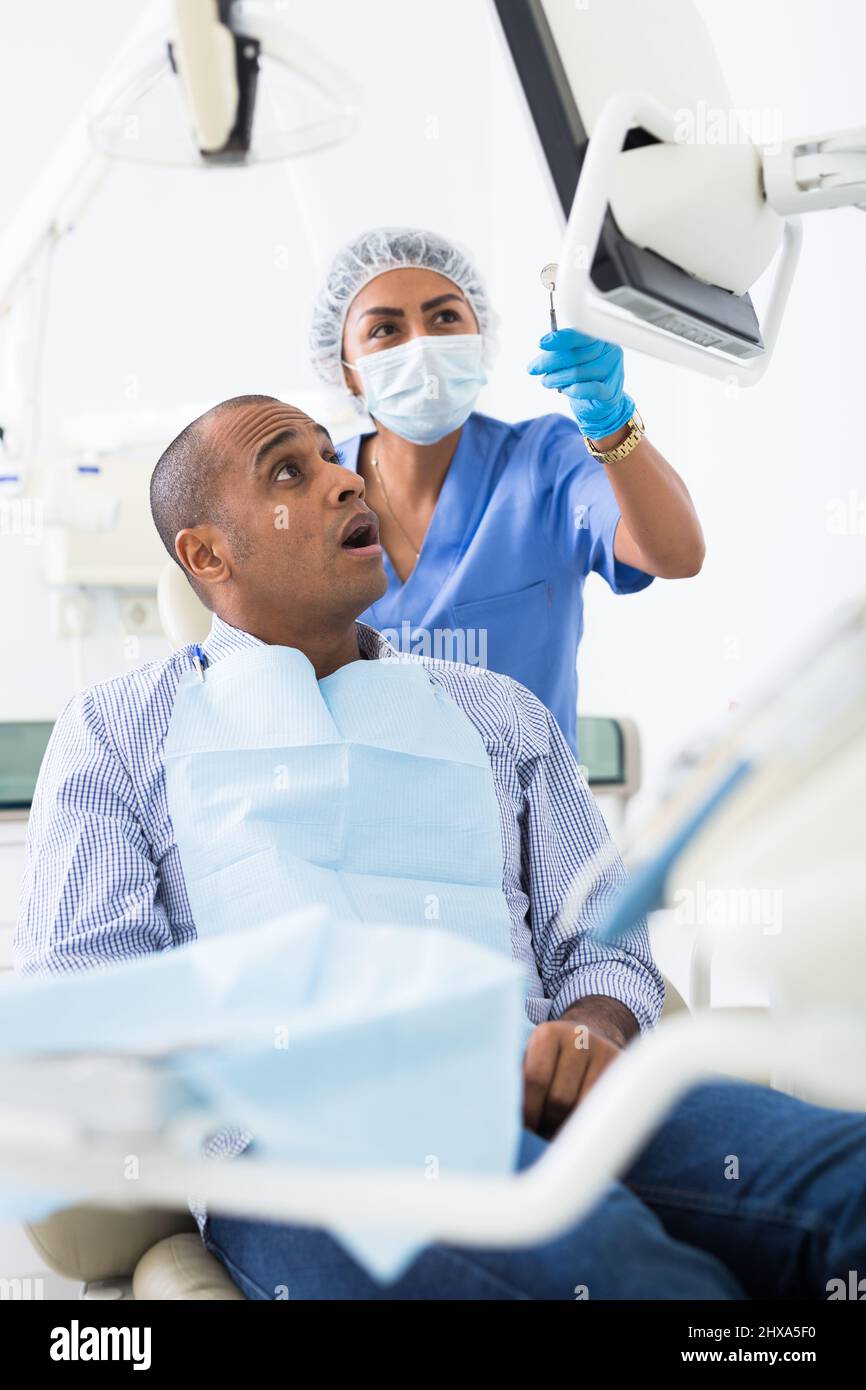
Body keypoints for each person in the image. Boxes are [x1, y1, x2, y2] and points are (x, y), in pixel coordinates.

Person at [16, 396, 866, 1301]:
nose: (347, 477)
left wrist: (592, 1028)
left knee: (845, 1181)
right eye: (288, 473)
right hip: (314, 1151)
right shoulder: (117, 731)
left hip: (561, 1100)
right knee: (625, 1278)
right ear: (207, 553)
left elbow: (603, 943)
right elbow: (88, 1010)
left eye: (328, 456)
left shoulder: (497, 713)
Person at [309, 227, 706, 750]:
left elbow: (677, 554)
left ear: (480, 339)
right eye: (385, 329)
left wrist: (611, 420)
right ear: (349, 374)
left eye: (446, 317)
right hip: (364, 825)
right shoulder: (316, 490)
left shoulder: (544, 462)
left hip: (527, 825)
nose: (423, 344)